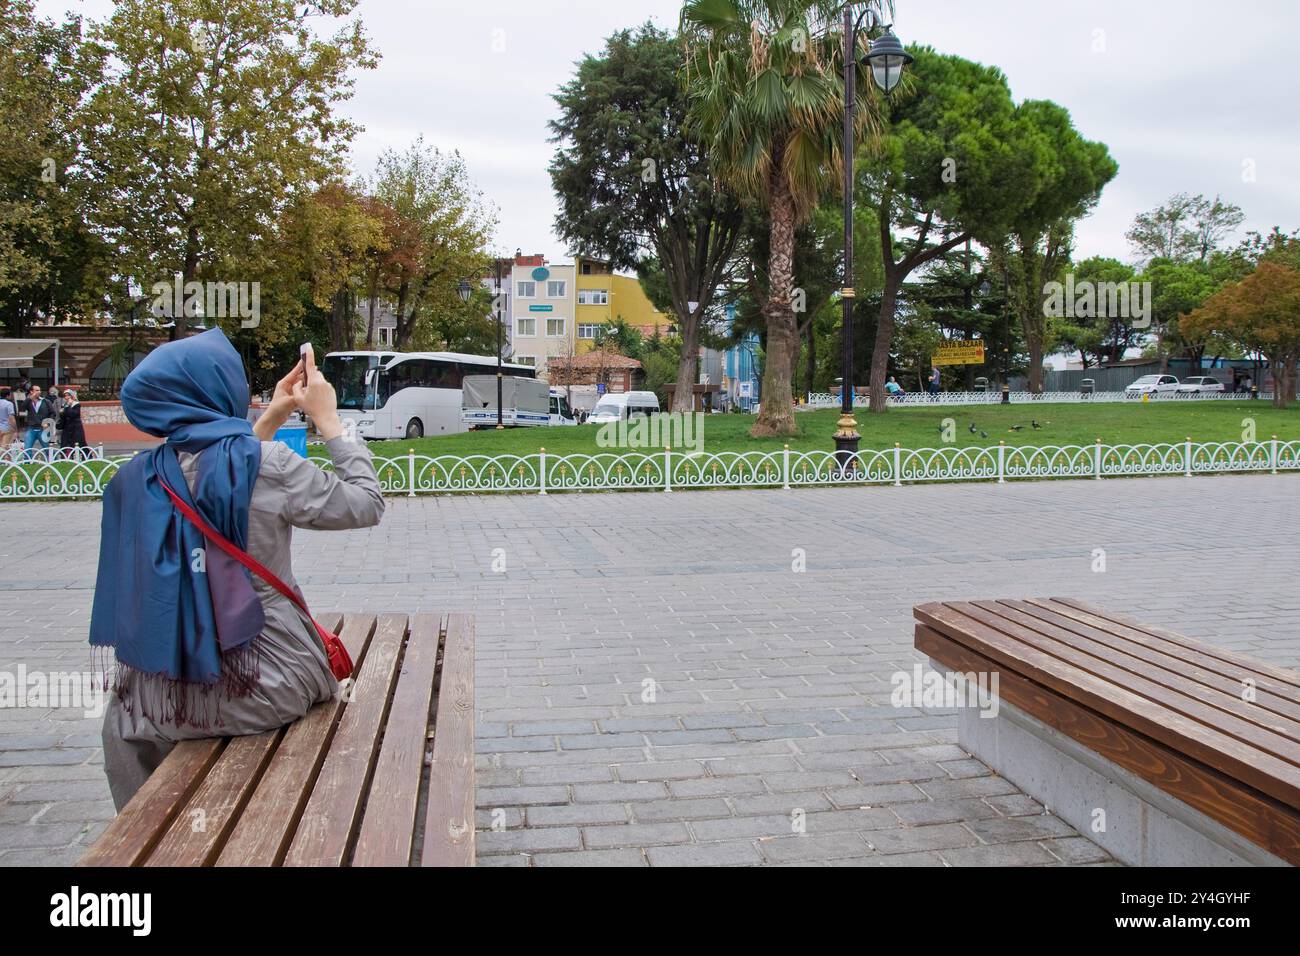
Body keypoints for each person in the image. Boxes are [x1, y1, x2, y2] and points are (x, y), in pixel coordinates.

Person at [91, 328, 386, 811]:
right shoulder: (269, 464)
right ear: (219, 390)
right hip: (268, 681)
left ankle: (144, 840)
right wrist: (331, 423)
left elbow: (214, 476)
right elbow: (365, 504)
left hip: (163, 698)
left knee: (120, 724)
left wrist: (271, 416)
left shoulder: (135, 478)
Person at [21, 384, 54, 453]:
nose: (39, 392)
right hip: (31, 428)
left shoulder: (46, 401)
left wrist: (48, 423)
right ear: (31, 392)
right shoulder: (28, 402)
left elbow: (53, 413)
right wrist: (30, 398)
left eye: (39, 390)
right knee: (27, 448)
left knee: (47, 448)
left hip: (43, 429)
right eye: (37, 390)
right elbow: (22, 408)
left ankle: (54, 460)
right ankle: (27, 463)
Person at [58, 389, 87, 457]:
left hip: (76, 428)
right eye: (65, 396)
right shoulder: (64, 405)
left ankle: (86, 457)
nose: (66, 397)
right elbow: (62, 416)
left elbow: (73, 414)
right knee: (64, 443)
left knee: (80, 443)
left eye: (68, 395)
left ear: (72, 396)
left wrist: (68, 407)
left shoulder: (76, 404)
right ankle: (64, 458)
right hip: (66, 428)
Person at [0, 387, 16, 455]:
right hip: (7, 428)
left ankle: (7, 461)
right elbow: (11, 418)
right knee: (5, 446)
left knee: (2, 446)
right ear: (8, 395)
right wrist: (15, 429)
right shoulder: (9, 404)